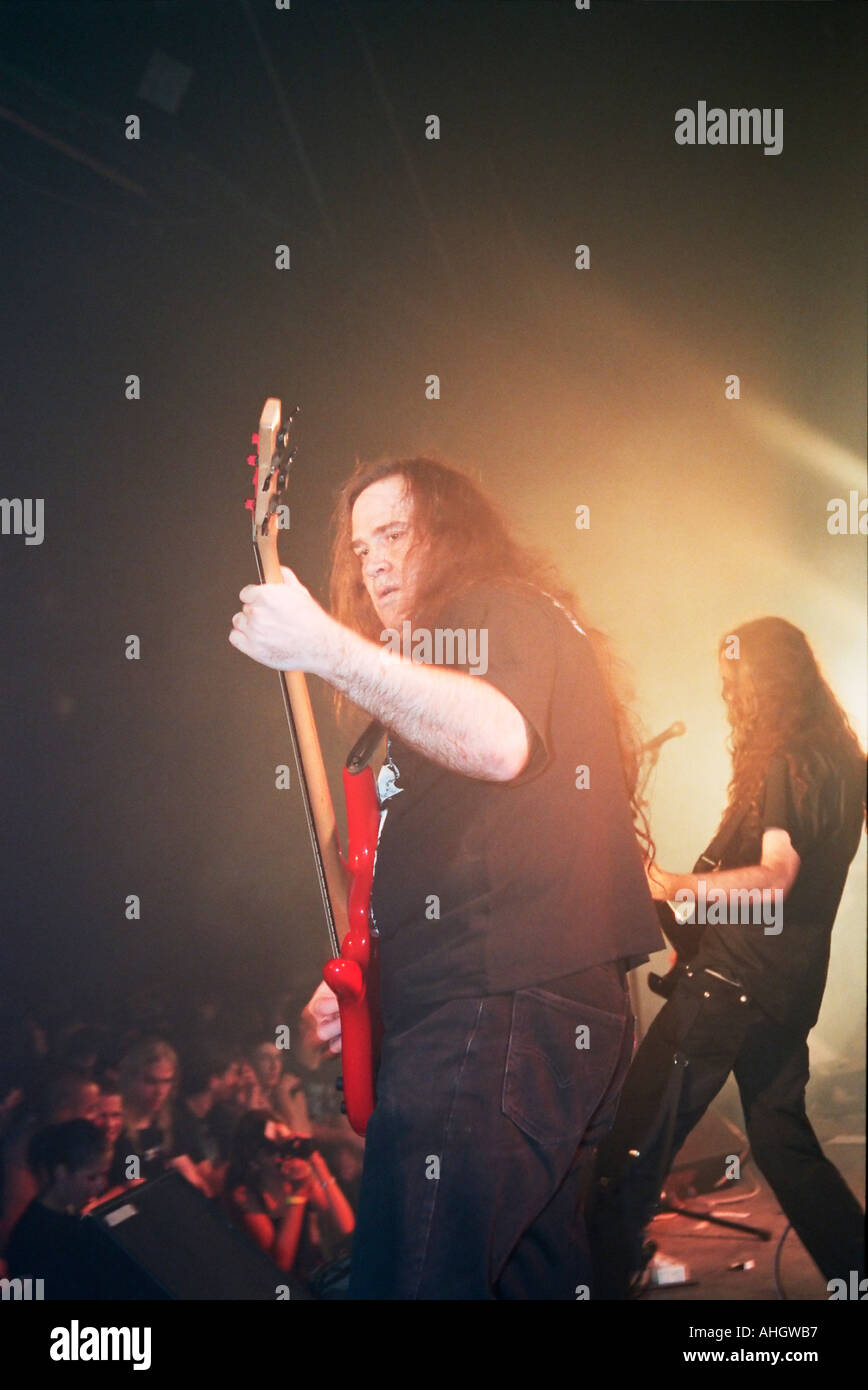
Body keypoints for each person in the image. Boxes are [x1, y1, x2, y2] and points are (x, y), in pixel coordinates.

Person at [230, 455, 663, 1299]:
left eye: (396, 533)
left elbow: (498, 740)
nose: (375, 561)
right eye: (360, 547)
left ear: (454, 534)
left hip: (494, 1006)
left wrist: (322, 644)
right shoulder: (452, 659)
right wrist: (366, 984)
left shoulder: (492, 606)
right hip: (528, 1008)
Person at [587, 617, 866, 1297]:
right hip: (784, 991)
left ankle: (589, 1282)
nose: (726, 696)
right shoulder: (843, 760)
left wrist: (675, 886)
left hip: (728, 988)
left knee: (630, 1145)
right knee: (783, 1145)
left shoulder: (786, 760)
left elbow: (773, 880)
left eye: (733, 682)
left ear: (764, 681)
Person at [6, 1120, 155, 1299]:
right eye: (92, 1177)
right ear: (61, 1173)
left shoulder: (70, 1219)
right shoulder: (33, 1237)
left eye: (104, 1174)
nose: (102, 1184)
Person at [224, 1110, 354, 1282]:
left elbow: (346, 1227)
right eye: (274, 1149)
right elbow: (280, 1266)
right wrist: (298, 1194)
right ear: (256, 1155)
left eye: (286, 1145)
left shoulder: (297, 1179)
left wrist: (316, 1160)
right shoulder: (246, 1195)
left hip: (314, 1277)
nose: (283, 1155)